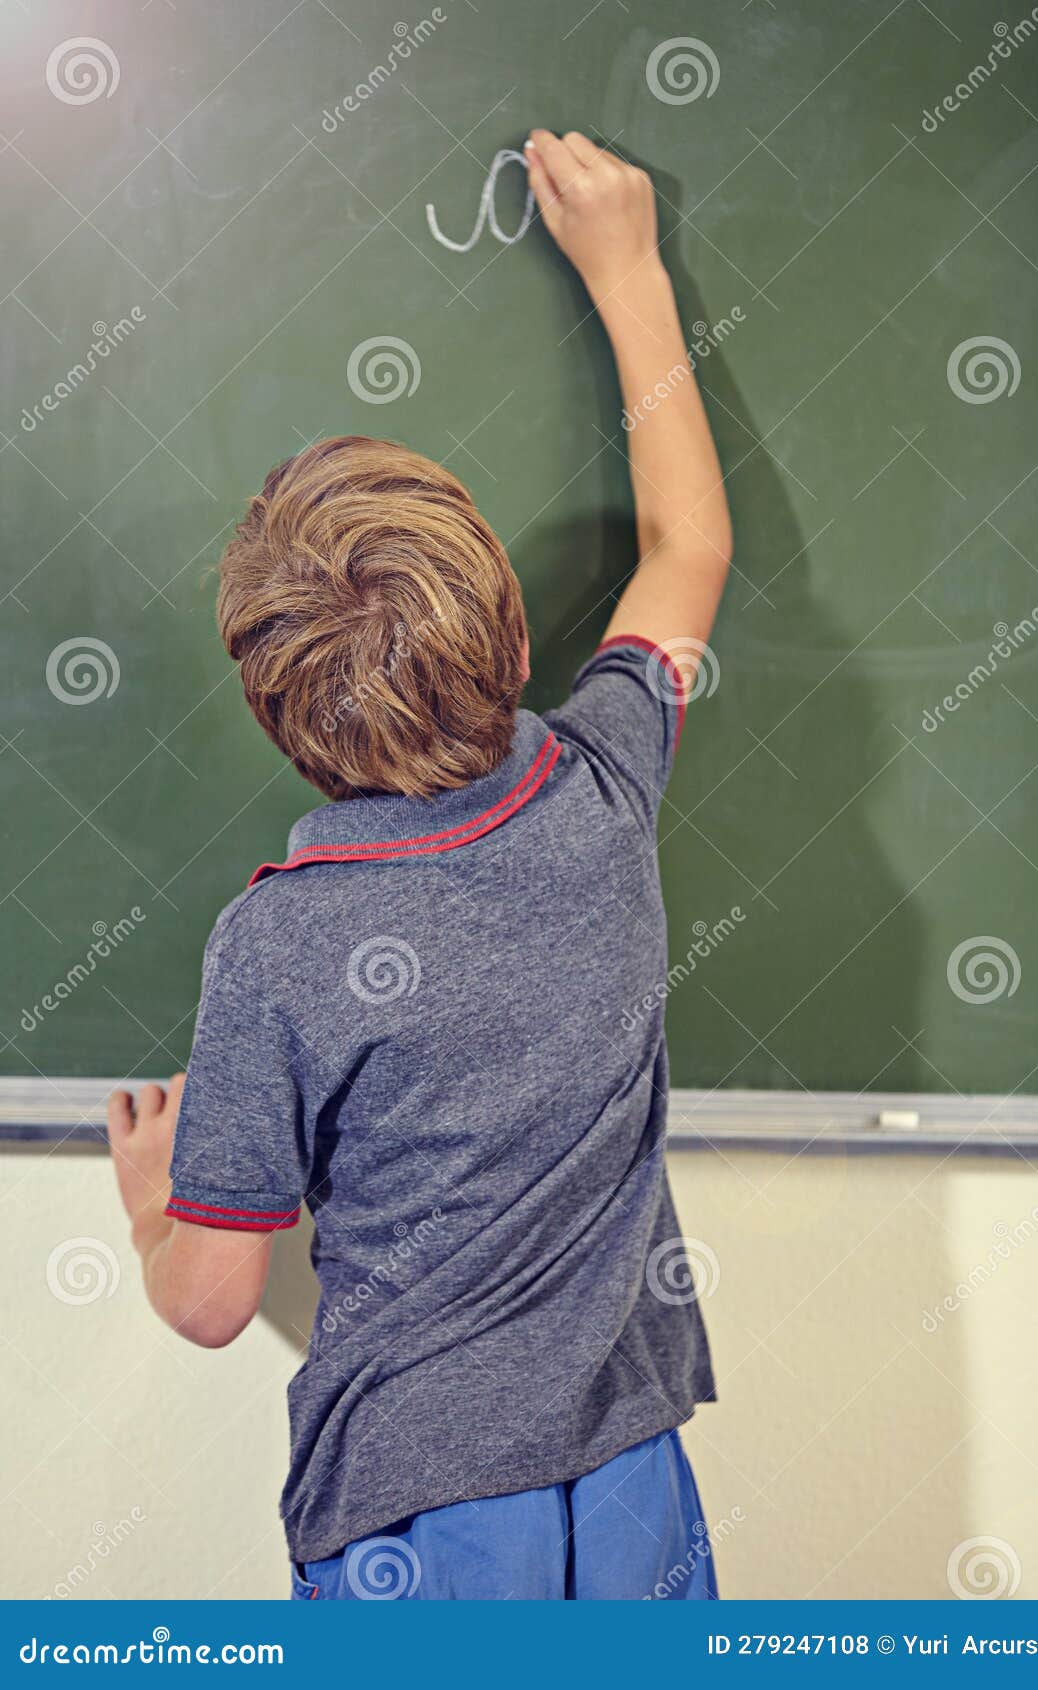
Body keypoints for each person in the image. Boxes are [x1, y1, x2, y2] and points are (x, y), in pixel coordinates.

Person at [108, 129, 733, 1601]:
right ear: (514, 633)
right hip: (633, 1477)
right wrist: (631, 272)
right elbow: (688, 546)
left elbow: (210, 1300)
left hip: (416, 1525)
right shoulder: (603, 787)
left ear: (273, 710)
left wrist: (149, 1202)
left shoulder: (278, 946)